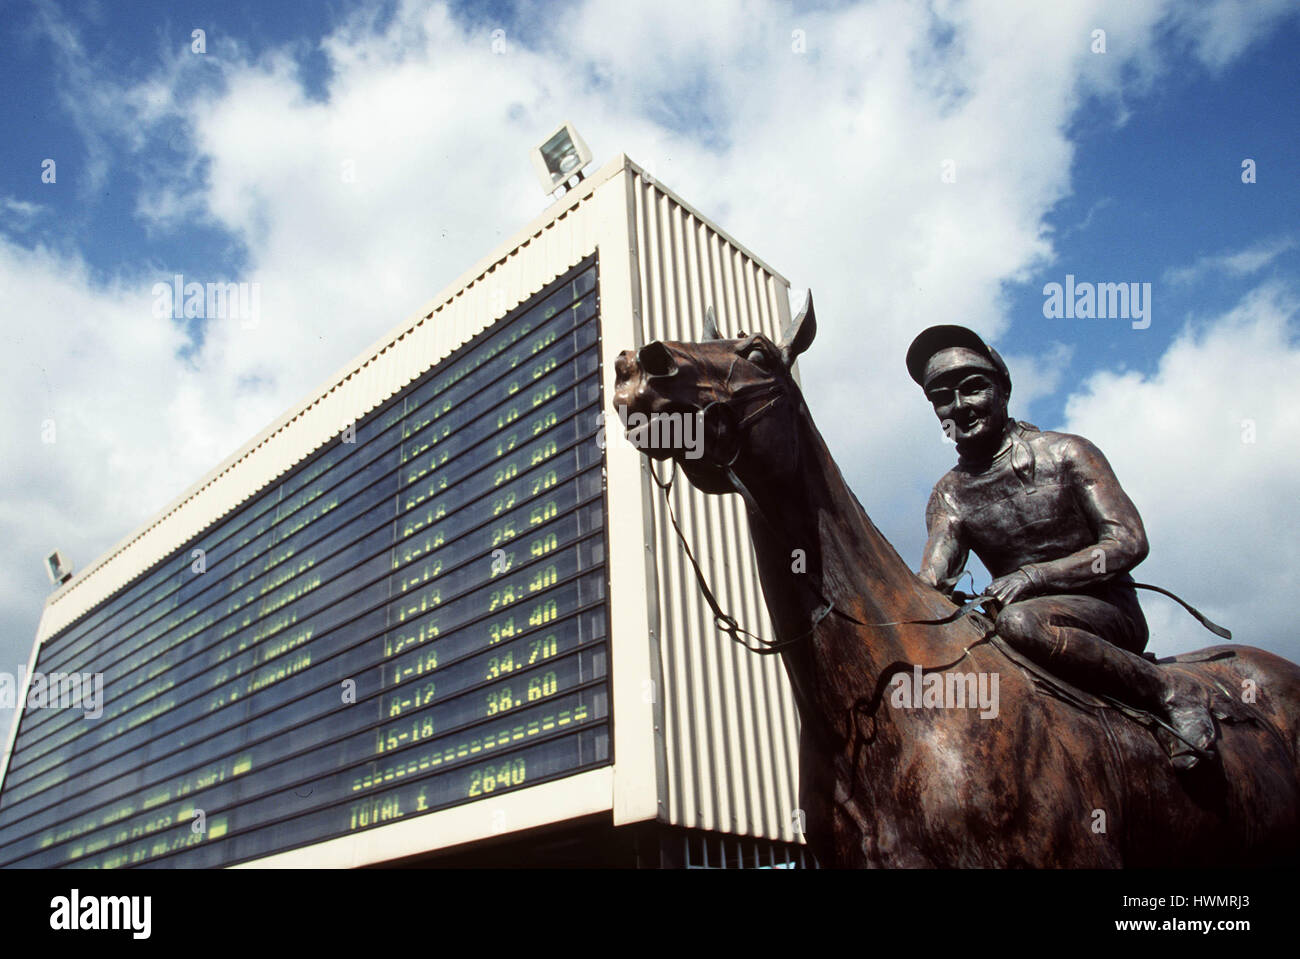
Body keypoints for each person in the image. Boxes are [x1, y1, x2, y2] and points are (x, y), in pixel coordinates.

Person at [906, 325, 1215, 771]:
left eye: (973, 389)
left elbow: (1128, 540)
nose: (960, 407)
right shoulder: (949, 494)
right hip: (1010, 624)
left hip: (1102, 613)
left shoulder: (1067, 452)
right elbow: (932, 580)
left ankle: (1169, 691)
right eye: (942, 397)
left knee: (1020, 621)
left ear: (1002, 388)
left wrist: (1035, 577)